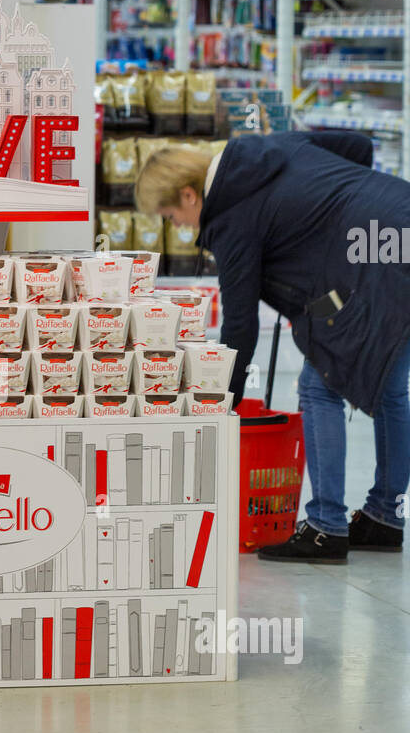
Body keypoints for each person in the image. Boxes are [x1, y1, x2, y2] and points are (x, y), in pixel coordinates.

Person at [136, 133, 410, 563]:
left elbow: (241, 326)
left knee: (319, 385)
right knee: (391, 386)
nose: (180, 227)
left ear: (190, 194)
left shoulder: (230, 217)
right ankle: (385, 517)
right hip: (399, 221)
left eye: (172, 216)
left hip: (370, 263)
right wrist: (338, 212)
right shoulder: (264, 149)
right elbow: (357, 147)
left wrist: (222, 404)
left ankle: (325, 528)